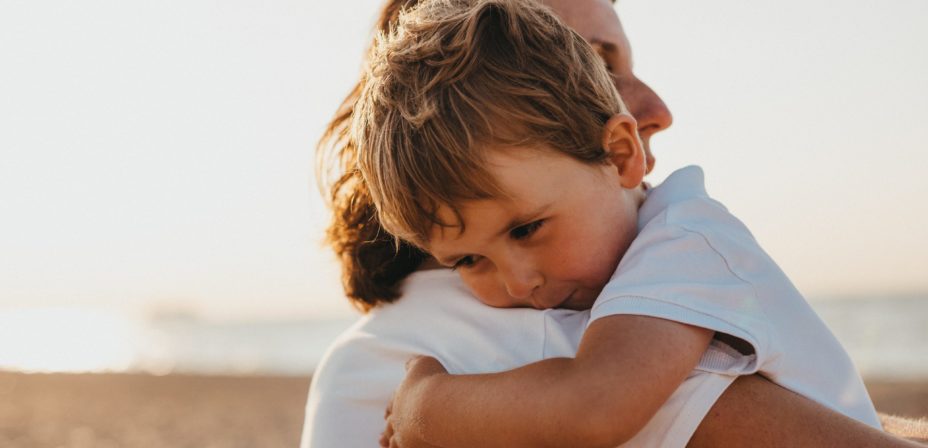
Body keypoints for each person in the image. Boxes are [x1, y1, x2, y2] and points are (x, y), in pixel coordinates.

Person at [302, 0, 928, 446]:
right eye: (469, 260)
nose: (518, 283)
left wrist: (426, 407)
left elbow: (594, 403)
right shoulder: (507, 332)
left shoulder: (681, 243)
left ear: (619, 152)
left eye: (526, 229)